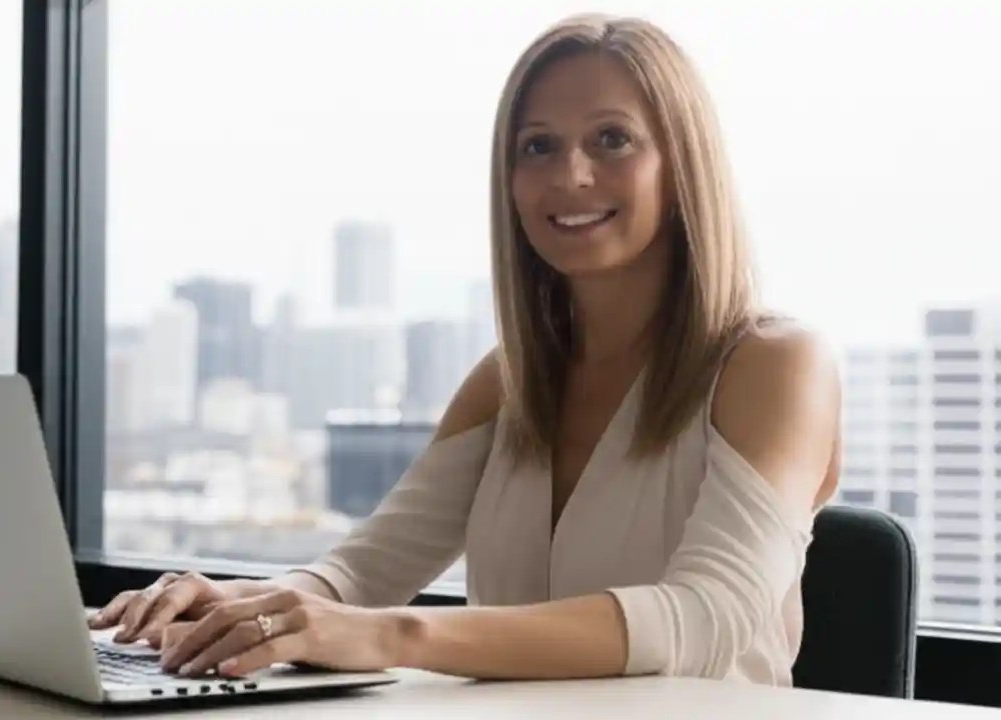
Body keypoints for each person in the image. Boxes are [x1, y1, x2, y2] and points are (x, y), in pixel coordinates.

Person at [90, 13, 840, 685]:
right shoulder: (510, 380)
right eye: (537, 146)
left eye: (612, 139)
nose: (569, 175)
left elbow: (705, 618)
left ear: (681, 164)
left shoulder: (773, 365)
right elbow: (361, 573)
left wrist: (399, 635)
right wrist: (242, 606)